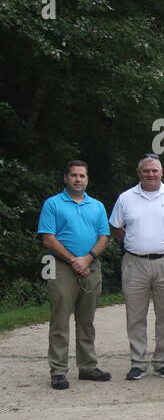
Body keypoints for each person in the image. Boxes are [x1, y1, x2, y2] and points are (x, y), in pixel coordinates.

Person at [109, 155, 164, 380]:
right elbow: (116, 226)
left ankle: (162, 362)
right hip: (135, 263)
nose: (151, 174)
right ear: (139, 173)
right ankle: (138, 363)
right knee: (135, 315)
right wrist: (132, 241)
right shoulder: (126, 198)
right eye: (146, 171)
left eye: (155, 170)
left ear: (162, 172)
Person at [37, 160, 112, 389]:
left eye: (82, 176)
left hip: (91, 265)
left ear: (87, 179)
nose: (78, 179)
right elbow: (47, 237)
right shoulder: (53, 204)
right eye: (73, 175)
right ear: (65, 178)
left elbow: (104, 237)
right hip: (60, 266)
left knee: (86, 321)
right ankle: (58, 371)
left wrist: (87, 258)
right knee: (60, 321)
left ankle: (88, 367)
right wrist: (73, 260)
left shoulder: (97, 206)